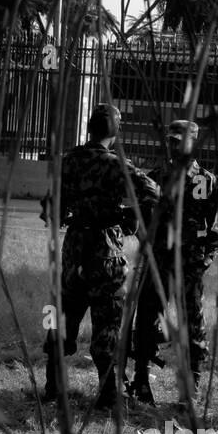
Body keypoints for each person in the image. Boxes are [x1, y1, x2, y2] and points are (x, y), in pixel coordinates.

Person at [39, 104, 160, 410]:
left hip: (73, 249)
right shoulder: (117, 165)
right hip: (106, 251)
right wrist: (124, 213)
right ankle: (107, 395)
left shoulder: (68, 161)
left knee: (61, 313)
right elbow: (153, 192)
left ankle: (52, 386)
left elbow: (50, 207)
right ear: (115, 132)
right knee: (107, 321)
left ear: (90, 127)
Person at [130, 120, 218, 401]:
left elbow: (217, 229)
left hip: (189, 267)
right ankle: (141, 379)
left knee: (191, 322)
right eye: (170, 140)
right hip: (158, 264)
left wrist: (203, 260)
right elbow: (140, 219)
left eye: (178, 141)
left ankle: (191, 385)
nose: (172, 145)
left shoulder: (207, 181)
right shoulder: (155, 178)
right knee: (146, 319)